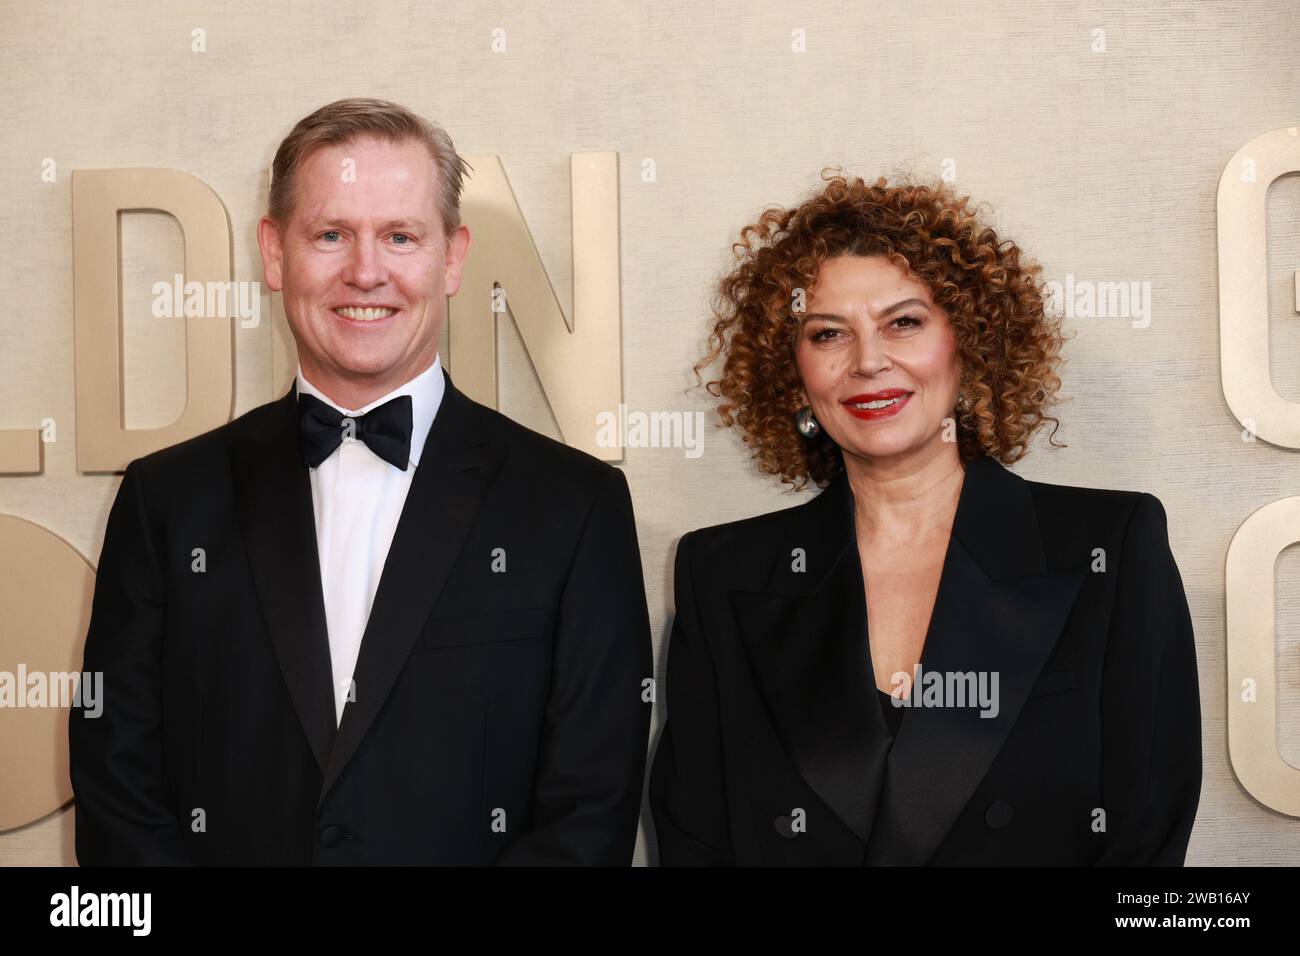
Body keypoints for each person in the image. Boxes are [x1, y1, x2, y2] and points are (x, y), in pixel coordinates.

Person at [69, 98, 652, 865]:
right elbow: (118, 789)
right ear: (274, 254)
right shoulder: (166, 502)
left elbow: (591, 810)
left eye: (400, 236)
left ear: (452, 258)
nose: (366, 272)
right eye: (331, 235)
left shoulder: (575, 507)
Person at [649, 172, 1202, 865]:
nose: (868, 362)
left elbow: (1146, 841)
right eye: (828, 333)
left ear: (969, 341)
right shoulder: (720, 575)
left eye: (903, 323)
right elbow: (696, 840)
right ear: (793, 373)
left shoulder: (1110, 548)